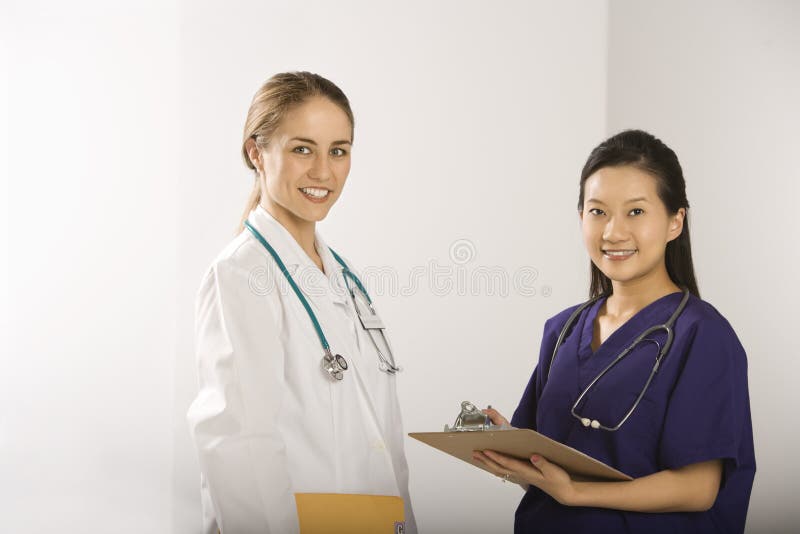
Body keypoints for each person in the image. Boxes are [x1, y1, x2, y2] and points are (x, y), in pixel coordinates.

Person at [473, 130, 755, 533]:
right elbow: (545, 475)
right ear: (581, 218)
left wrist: (577, 493)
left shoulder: (703, 336)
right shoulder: (563, 330)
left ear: (675, 221)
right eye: (598, 212)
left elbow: (699, 488)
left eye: (635, 212)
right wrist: (510, 450)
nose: (612, 232)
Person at [186, 72, 416, 534]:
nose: (324, 172)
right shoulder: (241, 275)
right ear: (256, 153)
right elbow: (241, 450)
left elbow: (382, 446)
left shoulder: (345, 280)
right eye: (302, 149)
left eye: (338, 151)